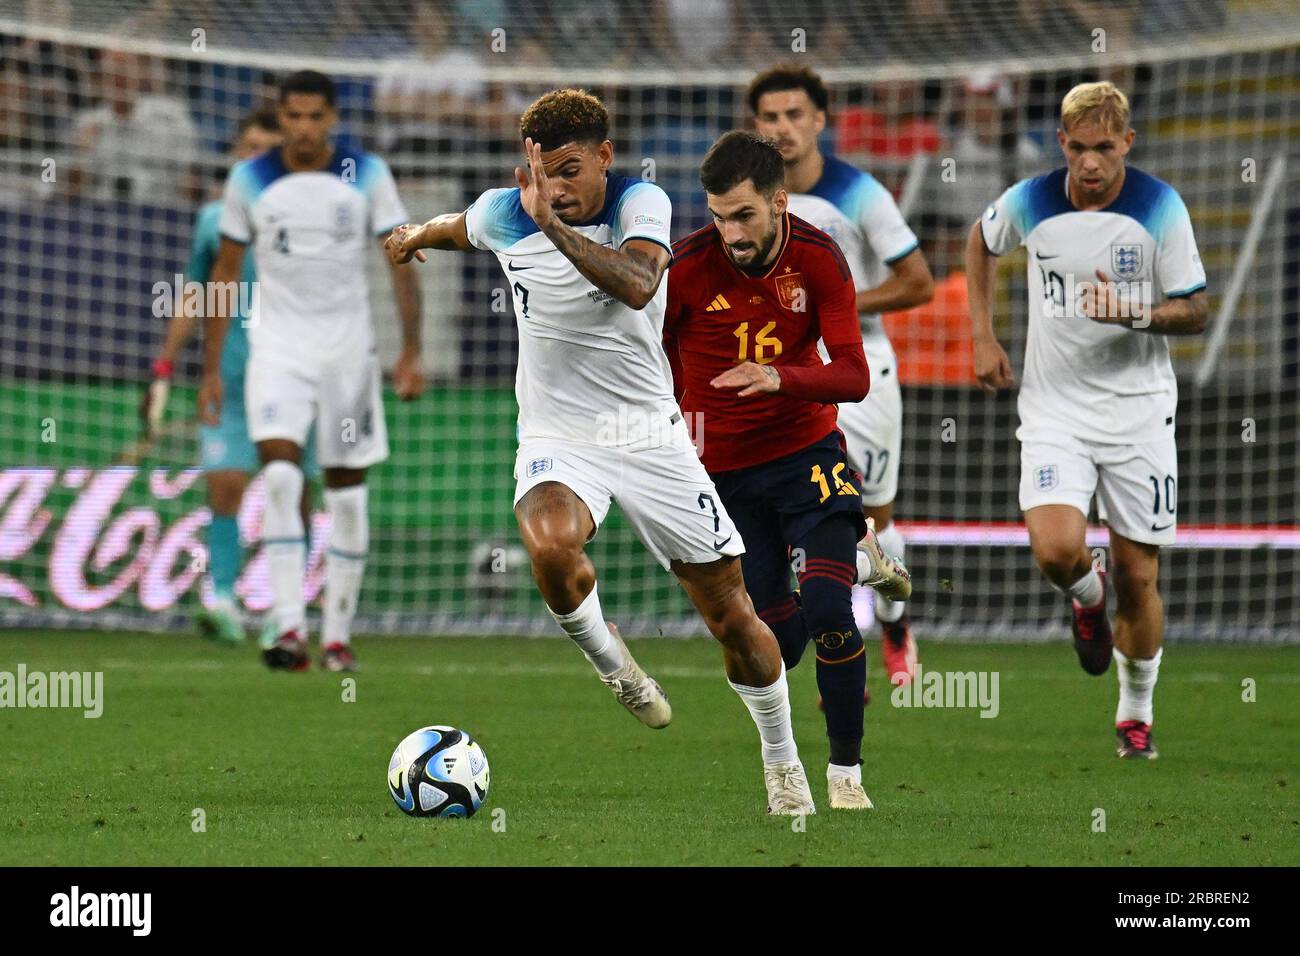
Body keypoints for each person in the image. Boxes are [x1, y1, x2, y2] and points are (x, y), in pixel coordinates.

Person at [385, 89, 816, 815]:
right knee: (550, 547)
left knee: (732, 616)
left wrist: (551, 227)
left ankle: (783, 761)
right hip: (559, 435)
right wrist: (412, 235)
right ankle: (614, 664)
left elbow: (640, 284)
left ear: (606, 157)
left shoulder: (640, 201)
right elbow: (455, 226)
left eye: (572, 168)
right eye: (545, 172)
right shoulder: (506, 211)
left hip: (648, 434)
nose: (556, 186)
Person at [665, 131, 912, 809]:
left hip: (807, 457)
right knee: (778, 645)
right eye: (717, 216)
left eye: (743, 216)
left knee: (832, 610)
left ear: (778, 202)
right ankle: (857, 559)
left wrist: (780, 377)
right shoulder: (684, 269)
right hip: (725, 477)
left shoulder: (819, 258)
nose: (730, 233)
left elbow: (856, 376)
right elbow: (652, 366)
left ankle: (845, 777)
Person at [966, 81, 1208, 759]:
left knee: (1140, 579)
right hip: (1053, 410)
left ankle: (1135, 715)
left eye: (1105, 148)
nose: (1092, 162)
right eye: (1079, 148)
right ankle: (1084, 595)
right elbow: (980, 244)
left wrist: (1134, 312)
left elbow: (1196, 309)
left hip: (1138, 415)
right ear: (1061, 144)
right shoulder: (1031, 199)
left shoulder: (1160, 207)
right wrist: (983, 336)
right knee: (1055, 550)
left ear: (1127, 143)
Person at [199, 71, 425, 673]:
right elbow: (224, 272)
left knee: (347, 499)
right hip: (276, 354)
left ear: (333, 118)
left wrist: (411, 351)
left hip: (348, 358)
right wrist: (211, 368)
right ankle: (289, 627)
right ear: (281, 117)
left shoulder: (366, 174)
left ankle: (337, 636)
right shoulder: (250, 179)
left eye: (314, 117)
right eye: (292, 116)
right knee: (278, 478)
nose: (303, 128)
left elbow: (401, 259)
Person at [750, 64, 934, 683]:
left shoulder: (858, 193)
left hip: (861, 372)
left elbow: (917, 282)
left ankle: (895, 622)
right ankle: (831, 641)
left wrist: (838, 307)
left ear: (820, 121)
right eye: (771, 117)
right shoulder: (746, 196)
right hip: (783, 376)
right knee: (807, 507)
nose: (783, 128)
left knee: (874, 520)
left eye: (794, 115)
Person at [144, 108, 317, 646]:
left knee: (295, 495)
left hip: (296, 379)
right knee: (225, 485)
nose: (253, 158)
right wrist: (165, 368)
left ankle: (287, 608)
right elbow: (194, 294)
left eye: (265, 150)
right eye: (246, 148)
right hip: (229, 377)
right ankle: (221, 598)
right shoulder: (212, 219)